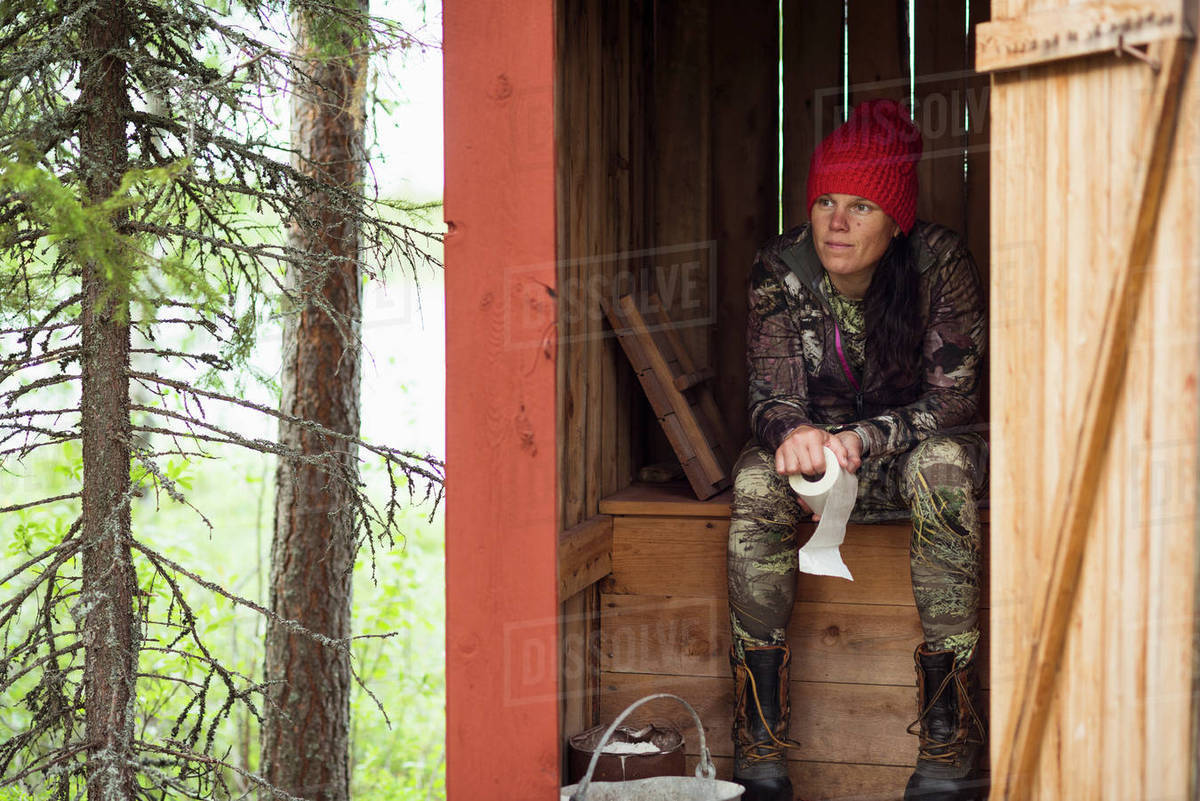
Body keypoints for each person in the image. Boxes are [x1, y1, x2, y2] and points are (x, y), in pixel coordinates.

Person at [726, 99, 988, 801]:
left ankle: (948, 736)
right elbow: (769, 393)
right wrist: (792, 434)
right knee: (754, 479)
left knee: (944, 467)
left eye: (861, 205)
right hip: (826, 472)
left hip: (914, 459)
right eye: (825, 201)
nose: (836, 221)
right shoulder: (780, 266)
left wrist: (862, 438)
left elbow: (956, 399)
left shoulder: (939, 263)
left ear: (896, 219)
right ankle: (759, 740)